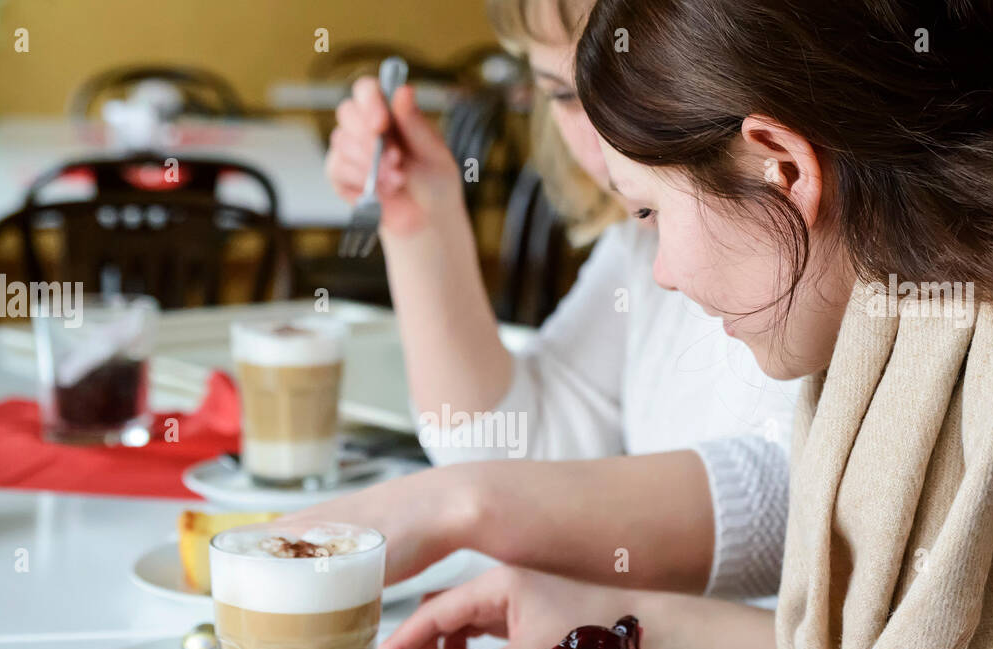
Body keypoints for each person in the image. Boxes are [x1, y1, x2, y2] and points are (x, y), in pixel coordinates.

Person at [374, 0, 993, 649]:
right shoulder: (898, 354)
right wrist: (621, 616)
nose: (659, 273)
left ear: (781, 167)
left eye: (651, 213)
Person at [312, 0, 797, 602]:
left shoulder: (862, 274)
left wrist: (461, 503)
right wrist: (421, 223)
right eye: (565, 98)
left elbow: (802, 494)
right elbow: (517, 451)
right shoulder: (636, 253)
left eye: (630, 86)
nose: (603, 144)